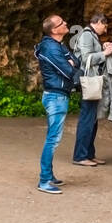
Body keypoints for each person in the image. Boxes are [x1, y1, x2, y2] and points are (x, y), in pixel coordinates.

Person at [34, 14, 79, 194]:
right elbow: (69, 71)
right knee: (53, 139)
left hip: (58, 95)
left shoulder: (58, 45)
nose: (66, 22)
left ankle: (49, 175)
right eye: (62, 22)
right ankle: (44, 181)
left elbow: (76, 61)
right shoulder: (51, 48)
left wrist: (72, 63)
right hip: (55, 97)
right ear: (54, 30)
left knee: (52, 137)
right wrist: (71, 64)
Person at [69, 11, 112, 167]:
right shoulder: (86, 35)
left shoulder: (92, 36)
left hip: (94, 82)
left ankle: (89, 154)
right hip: (89, 83)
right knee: (87, 119)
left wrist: (102, 47)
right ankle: (80, 156)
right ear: (99, 22)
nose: (106, 29)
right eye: (105, 26)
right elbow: (85, 58)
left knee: (93, 120)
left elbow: (90, 54)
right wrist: (105, 53)